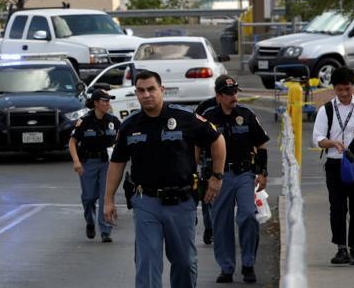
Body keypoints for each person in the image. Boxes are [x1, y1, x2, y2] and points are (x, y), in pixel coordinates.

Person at [104, 70, 225, 288]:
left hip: (181, 201)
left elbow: (217, 140)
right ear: (136, 94)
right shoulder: (130, 126)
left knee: (185, 263)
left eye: (151, 89)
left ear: (162, 90)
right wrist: (108, 199)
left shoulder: (184, 118)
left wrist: (217, 177)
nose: (146, 94)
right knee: (147, 262)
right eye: (141, 90)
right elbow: (117, 163)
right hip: (146, 202)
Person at [202, 75, 269, 284]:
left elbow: (261, 144)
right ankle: (226, 267)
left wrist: (262, 172)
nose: (234, 96)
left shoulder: (247, 115)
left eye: (235, 92)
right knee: (221, 222)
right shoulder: (208, 117)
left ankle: (248, 264)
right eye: (229, 93)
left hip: (244, 174)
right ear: (219, 96)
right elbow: (197, 146)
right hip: (219, 176)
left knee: (248, 215)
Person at [312, 66, 354, 266]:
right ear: (334, 88)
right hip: (336, 164)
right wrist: (332, 143)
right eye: (340, 89)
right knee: (338, 207)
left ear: (353, 86)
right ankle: (341, 248)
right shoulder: (326, 110)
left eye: (347, 89)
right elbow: (317, 138)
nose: (344, 93)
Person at [69, 87, 121, 243]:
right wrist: (76, 161)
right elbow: (72, 142)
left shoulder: (114, 121)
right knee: (89, 197)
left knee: (105, 195)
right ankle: (90, 221)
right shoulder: (84, 121)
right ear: (96, 103)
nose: (107, 103)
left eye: (109, 100)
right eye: (104, 101)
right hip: (88, 162)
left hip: (107, 163)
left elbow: (121, 139)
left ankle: (105, 230)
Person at [194, 95, 219, 246]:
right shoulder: (205, 108)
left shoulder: (238, 110)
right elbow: (195, 133)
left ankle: (221, 229)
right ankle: (209, 227)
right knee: (207, 196)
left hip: (228, 159)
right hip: (207, 158)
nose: (233, 96)